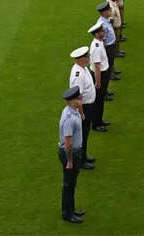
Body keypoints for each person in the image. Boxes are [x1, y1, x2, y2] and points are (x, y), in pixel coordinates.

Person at [57, 86, 86, 223]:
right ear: (73, 101)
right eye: (78, 98)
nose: (81, 99)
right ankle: (67, 214)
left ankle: (71, 209)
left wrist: (82, 111)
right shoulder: (69, 118)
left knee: (72, 184)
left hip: (74, 152)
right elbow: (68, 143)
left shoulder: (73, 111)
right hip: (70, 154)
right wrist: (69, 160)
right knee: (69, 185)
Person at [69, 47, 98, 168]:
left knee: (85, 133)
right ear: (81, 59)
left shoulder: (83, 68)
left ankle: (84, 156)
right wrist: (81, 113)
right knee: (82, 135)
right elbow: (78, 97)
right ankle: (81, 161)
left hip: (88, 106)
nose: (88, 58)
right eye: (87, 57)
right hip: (84, 108)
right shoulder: (78, 74)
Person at [88, 23, 112, 130]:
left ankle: (100, 120)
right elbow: (97, 66)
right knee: (98, 100)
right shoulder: (96, 47)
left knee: (100, 99)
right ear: (97, 34)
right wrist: (98, 82)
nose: (104, 31)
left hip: (102, 73)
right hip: (100, 75)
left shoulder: (100, 42)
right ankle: (96, 123)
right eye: (101, 31)